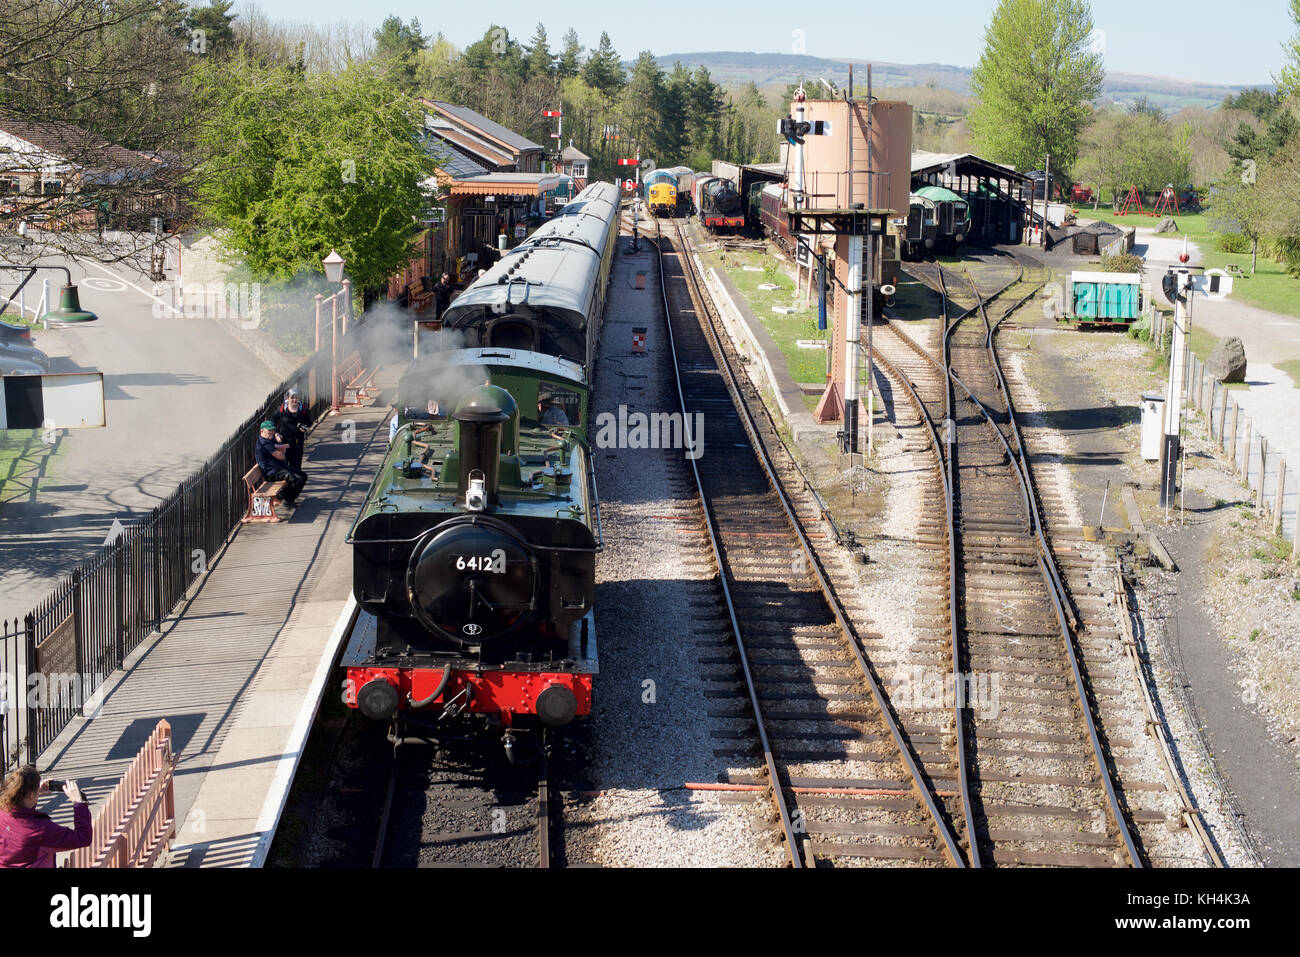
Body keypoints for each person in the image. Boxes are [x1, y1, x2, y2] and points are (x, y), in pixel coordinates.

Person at [0, 766, 92, 867]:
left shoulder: (2, 814)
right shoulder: (41, 831)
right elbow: (83, 837)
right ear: (31, 795)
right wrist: (78, 804)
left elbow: (21, 817)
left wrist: (35, 793)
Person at [255, 419, 307, 506]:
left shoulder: (270, 439)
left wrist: (279, 443)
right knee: (295, 480)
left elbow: (280, 452)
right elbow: (281, 456)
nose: (271, 432)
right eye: (269, 430)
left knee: (303, 476)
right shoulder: (264, 443)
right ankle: (284, 498)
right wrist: (283, 450)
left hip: (279, 468)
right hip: (272, 472)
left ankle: (288, 499)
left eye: (273, 430)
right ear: (262, 431)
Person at [273, 388, 312, 472]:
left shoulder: (303, 409)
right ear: (287, 398)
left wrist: (305, 428)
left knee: (297, 467)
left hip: (298, 443)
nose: (294, 400)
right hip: (284, 443)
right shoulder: (281, 409)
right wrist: (276, 434)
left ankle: (296, 484)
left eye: (296, 397)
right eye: (292, 398)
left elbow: (309, 423)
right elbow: (272, 422)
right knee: (285, 466)